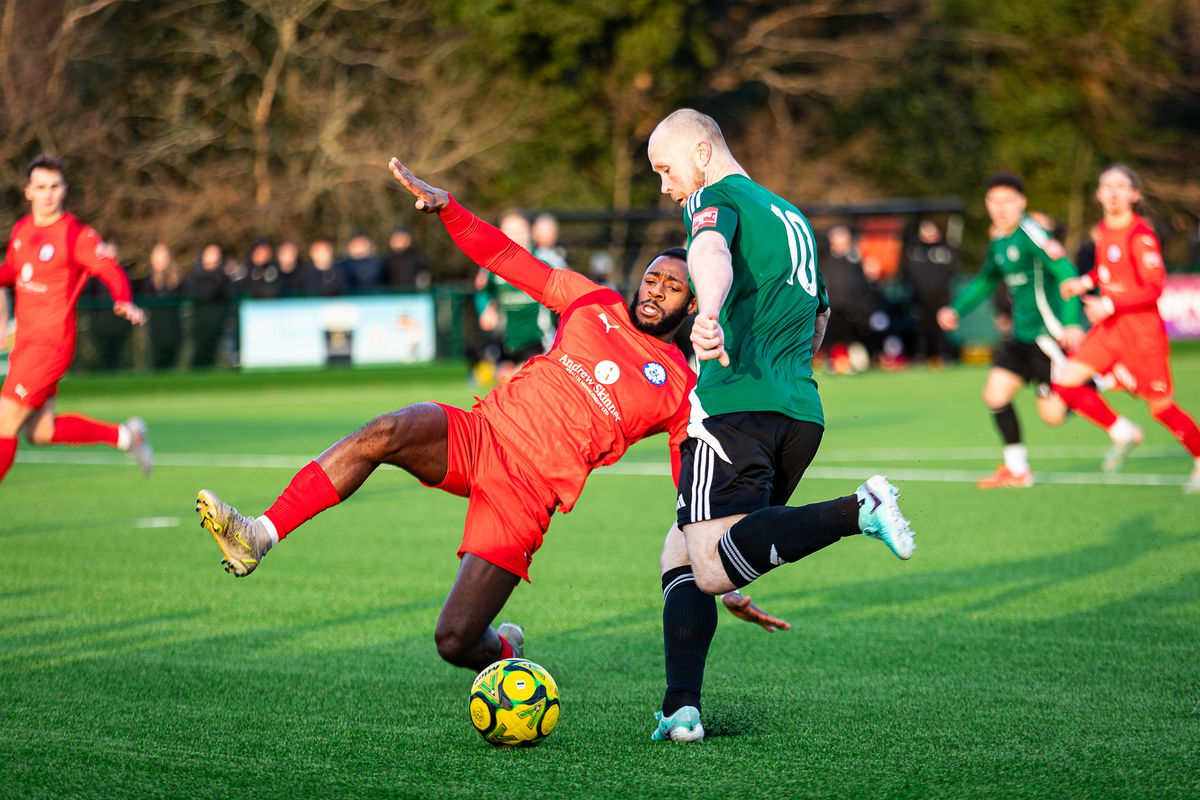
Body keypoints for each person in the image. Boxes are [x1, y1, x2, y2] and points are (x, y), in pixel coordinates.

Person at [192, 157, 781, 674]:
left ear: (695, 303)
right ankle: (259, 535)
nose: (656, 290)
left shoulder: (681, 384)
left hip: (525, 495)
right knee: (386, 430)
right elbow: (506, 257)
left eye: (674, 287)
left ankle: (505, 653)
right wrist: (450, 210)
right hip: (480, 433)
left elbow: (693, 487)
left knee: (454, 640)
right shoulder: (591, 300)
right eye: (652, 277)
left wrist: (723, 568)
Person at [645, 108, 914, 742]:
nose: (665, 186)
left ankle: (860, 510)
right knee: (681, 547)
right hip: (799, 413)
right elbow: (818, 317)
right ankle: (682, 709)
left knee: (706, 569)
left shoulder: (714, 197)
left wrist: (707, 312)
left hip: (734, 405)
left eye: (666, 168)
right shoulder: (791, 216)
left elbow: (709, 250)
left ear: (703, 152)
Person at [937, 173, 1141, 489]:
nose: (1001, 208)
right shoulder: (1000, 240)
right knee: (995, 394)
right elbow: (986, 278)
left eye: (1008, 201)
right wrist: (956, 309)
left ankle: (1104, 381)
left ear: (1022, 202)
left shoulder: (1033, 234)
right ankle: (1018, 470)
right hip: (1021, 336)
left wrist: (1072, 321)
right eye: (995, 201)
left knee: (1053, 416)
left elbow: (1066, 272)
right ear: (987, 204)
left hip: (1048, 336)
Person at [0, 156, 152, 484]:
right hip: (25, 343)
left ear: (64, 189)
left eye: (54, 187)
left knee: (4, 423)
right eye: (40, 187)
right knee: (40, 431)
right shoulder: (22, 229)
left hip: (50, 344)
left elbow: (109, 269)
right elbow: (13, 271)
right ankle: (126, 436)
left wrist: (123, 299)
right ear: (28, 191)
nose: (48, 194)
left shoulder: (74, 234)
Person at [1056, 164, 1200, 491]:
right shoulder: (1105, 229)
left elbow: (1154, 286)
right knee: (1066, 383)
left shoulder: (1141, 235)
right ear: (1098, 194)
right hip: (1112, 330)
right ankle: (1122, 431)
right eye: (1107, 186)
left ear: (1134, 195)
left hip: (1142, 334)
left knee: (1161, 408)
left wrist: (1109, 304)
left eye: (1121, 186)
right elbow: (1107, 270)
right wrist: (1083, 282)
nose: (1113, 191)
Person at [902, 219, 957, 367]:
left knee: (941, 326)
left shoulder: (945, 250)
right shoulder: (914, 250)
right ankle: (921, 354)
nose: (930, 235)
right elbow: (907, 273)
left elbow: (951, 272)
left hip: (940, 296)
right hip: (919, 296)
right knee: (921, 327)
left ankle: (943, 355)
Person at [137, 242, 183, 370]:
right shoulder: (146, 280)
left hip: (173, 329)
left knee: (171, 362)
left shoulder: (176, 280)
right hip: (154, 330)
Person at [383, 225, 431, 291]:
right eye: (397, 237)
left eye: (402, 238)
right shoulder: (386, 260)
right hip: (392, 298)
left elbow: (423, 278)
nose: (399, 240)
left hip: (412, 297)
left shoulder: (417, 258)